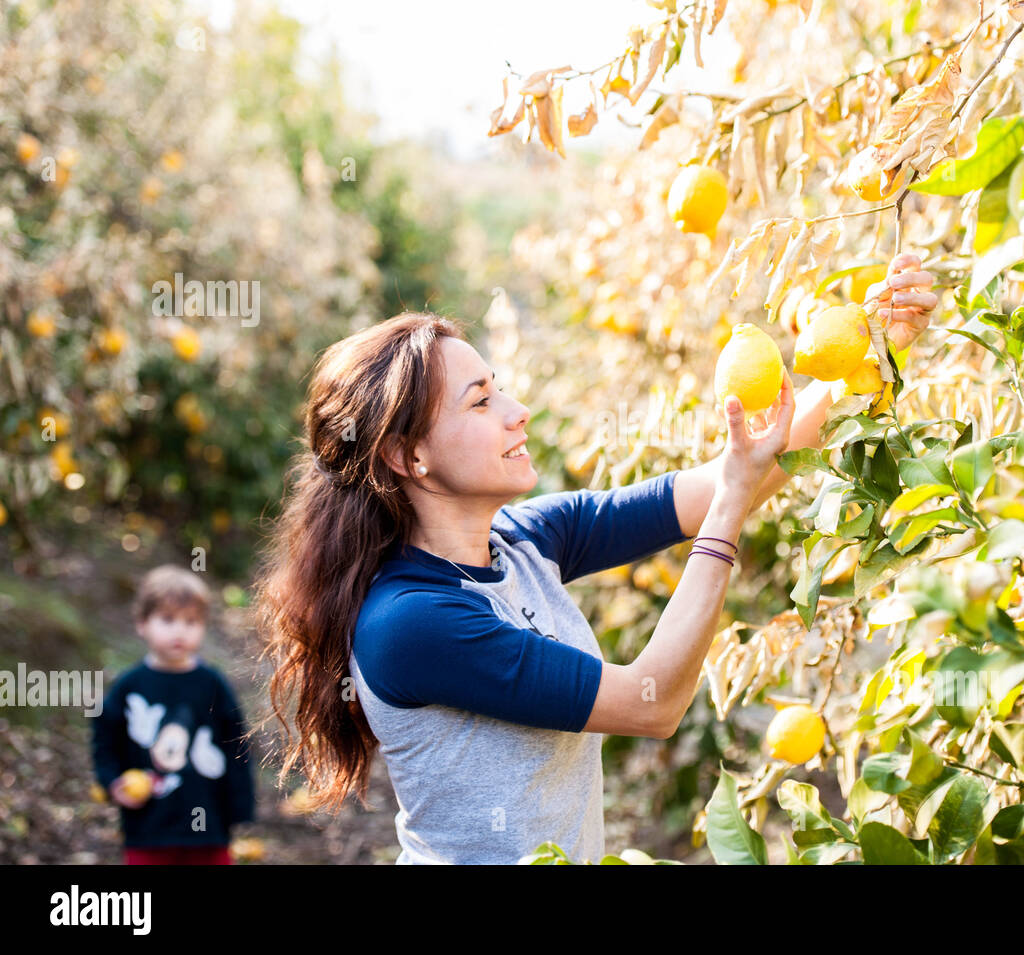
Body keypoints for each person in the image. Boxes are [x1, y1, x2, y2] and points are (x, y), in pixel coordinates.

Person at [252, 253, 936, 864]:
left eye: (502, 388)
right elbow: (654, 701)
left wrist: (872, 349)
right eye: (482, 401)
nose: (518, 412)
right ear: (409, 456)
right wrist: (730, 507)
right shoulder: (411, 622)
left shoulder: (523, 539)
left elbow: (734, 472)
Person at [91, 564, 256, 864]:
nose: (180, 630)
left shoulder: (212, 684)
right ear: (142, 623)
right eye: (167, 620)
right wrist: (113, 782)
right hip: (148, 828)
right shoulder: (130, 686)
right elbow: (105, 739)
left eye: (191, 621)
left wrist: (240, 807)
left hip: (208, 825)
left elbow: (236, 744)